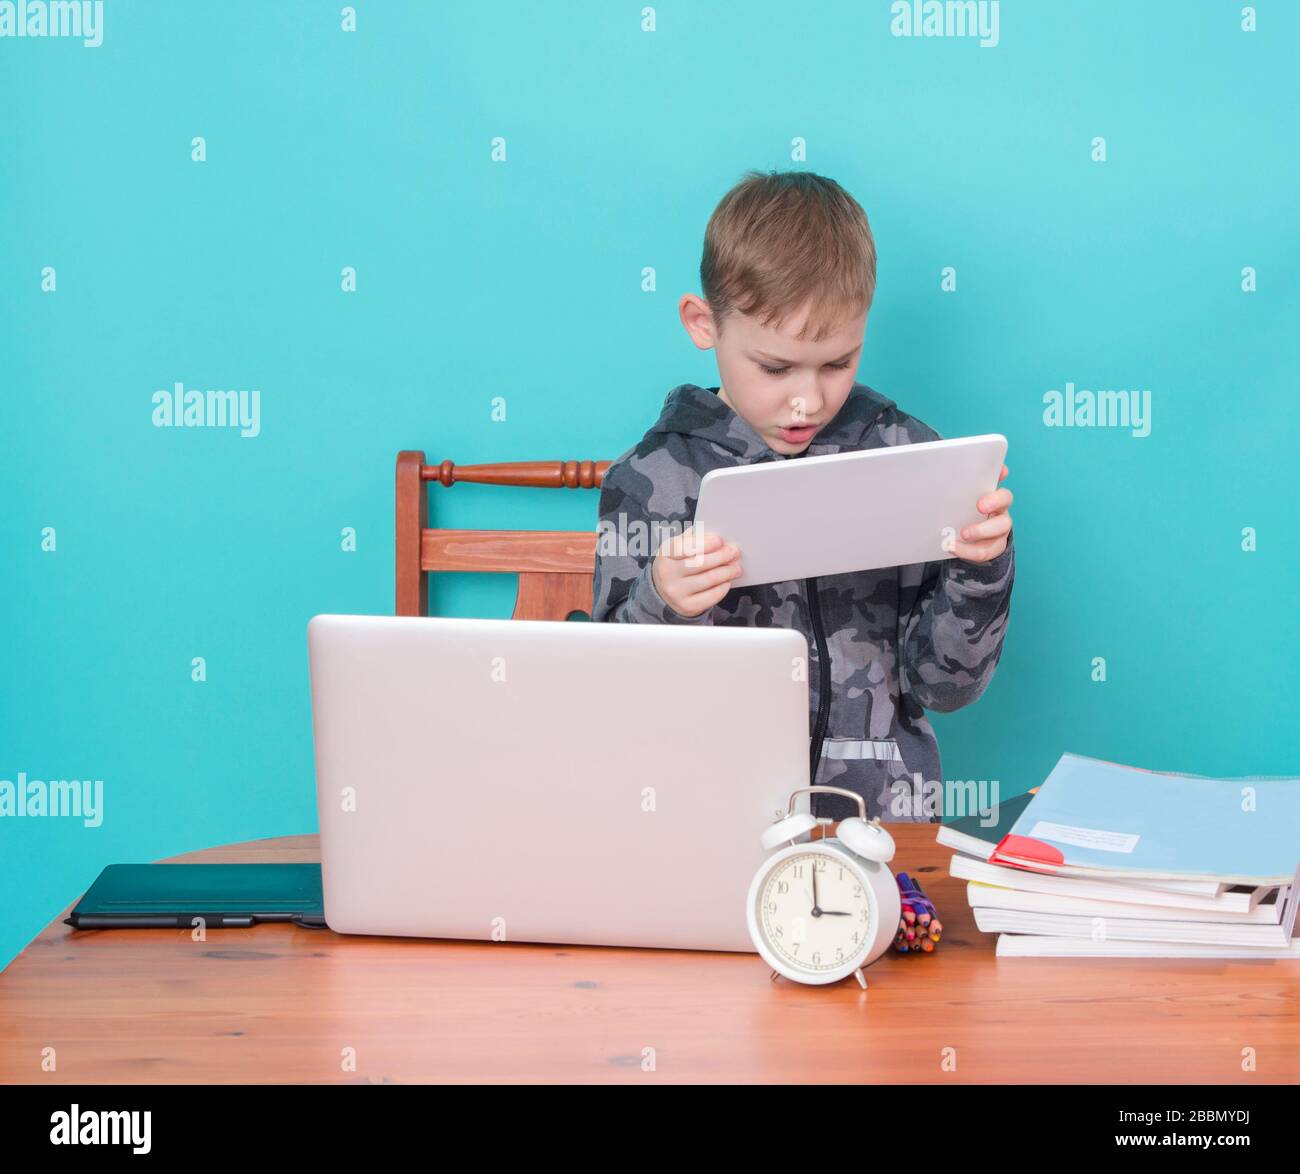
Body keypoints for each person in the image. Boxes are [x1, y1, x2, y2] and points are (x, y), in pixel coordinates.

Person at [591, 170, 1015, 823]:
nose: (807, 400)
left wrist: (979, 571)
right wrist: (663, 601)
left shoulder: (906, 454)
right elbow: (617, 705)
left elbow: (946, 686)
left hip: (884, 839)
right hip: (709, 829)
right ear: (703, 324)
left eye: (838, 362)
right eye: (776, 366)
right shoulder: (655, 477)